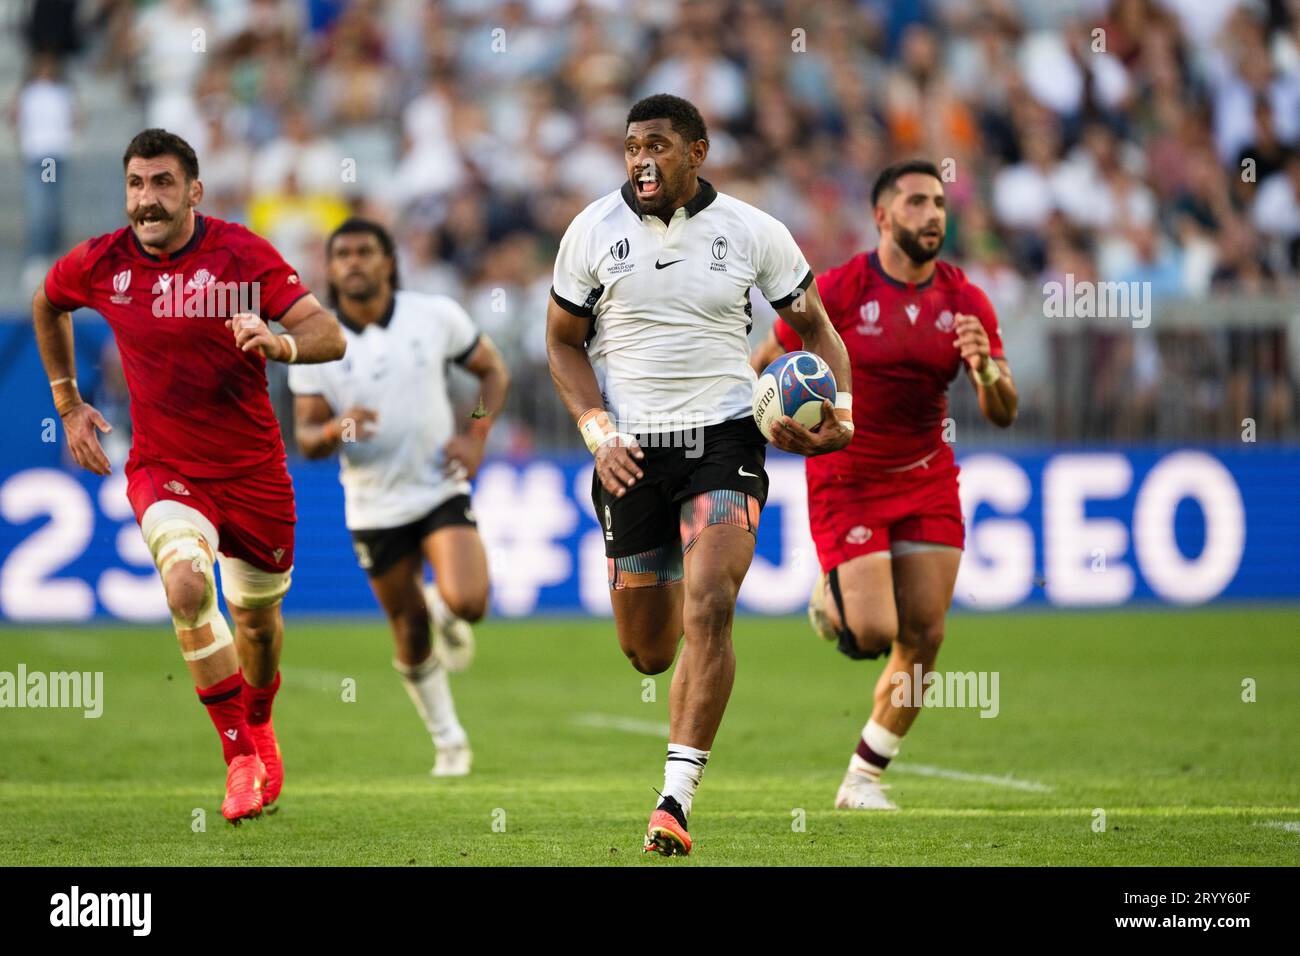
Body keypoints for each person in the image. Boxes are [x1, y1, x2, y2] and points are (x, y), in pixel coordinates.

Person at [546, 94, 854, 856]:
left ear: (697, 152)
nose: (641, 159)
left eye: (657, 144)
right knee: (649, 651)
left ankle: (674, 800)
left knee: (712, 604)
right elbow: (560, 344)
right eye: (629, 147)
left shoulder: (753, 231)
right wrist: (597, 432)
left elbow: (813, 325)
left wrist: (840, 411)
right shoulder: (591, 232)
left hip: (727, 438)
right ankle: (674, 598)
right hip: (632, 453)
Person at [31, 128, 347, 822]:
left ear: (194, 192)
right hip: (166, 468)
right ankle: (238, 757)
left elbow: (330, 333)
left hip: (254, 472)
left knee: (259, 628)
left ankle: (260, 719)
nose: (148, 199)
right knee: (184, 584)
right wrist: (68, 402)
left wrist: (280, 340)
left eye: (163, 183)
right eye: (137, 185)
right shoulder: (102, 262)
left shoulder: (242, 254)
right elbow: (47, 302)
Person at [751, 159, 1018, 810]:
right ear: (882, 216)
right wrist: (777, 422)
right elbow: (763, 366)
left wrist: (984, 370)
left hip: (928, 477)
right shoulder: (838, 290)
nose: (933, 215)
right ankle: (837, 593)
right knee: (872, 634)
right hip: (848, 476)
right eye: (918, 202)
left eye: (939, 203)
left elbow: (1005, 410)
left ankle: (863, 778)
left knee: (925, 635)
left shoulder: (965, 299)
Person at [291, 218, 509, 777]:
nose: (354, 262)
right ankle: (449, 740)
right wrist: (340, 428)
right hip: (372, 504)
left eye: (366, 251)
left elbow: (491, 370)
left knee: (469, 602)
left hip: (437, 484)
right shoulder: (317, 339)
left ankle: (444, 606)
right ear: (330, 267)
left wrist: (476, 434)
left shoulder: (432, 315)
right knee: (408, 630)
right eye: (342, 254)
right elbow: (309, 438)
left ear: (389, 261)